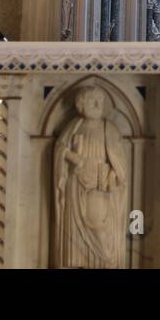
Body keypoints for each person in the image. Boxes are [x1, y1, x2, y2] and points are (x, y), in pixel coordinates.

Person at [54, 86, 129, 268]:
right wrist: (72, 157)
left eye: (100, 100)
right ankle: (75, 263)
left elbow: (120, 164)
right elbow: (60, 149)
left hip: (99, 185)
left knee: (99, 225)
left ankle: (105, 263)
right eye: (91, 100)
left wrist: (111, 176)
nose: (97, 104)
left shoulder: (109, 129)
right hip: (76, 185)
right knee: (74, 230)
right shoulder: (73, 126)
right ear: (81, 104)